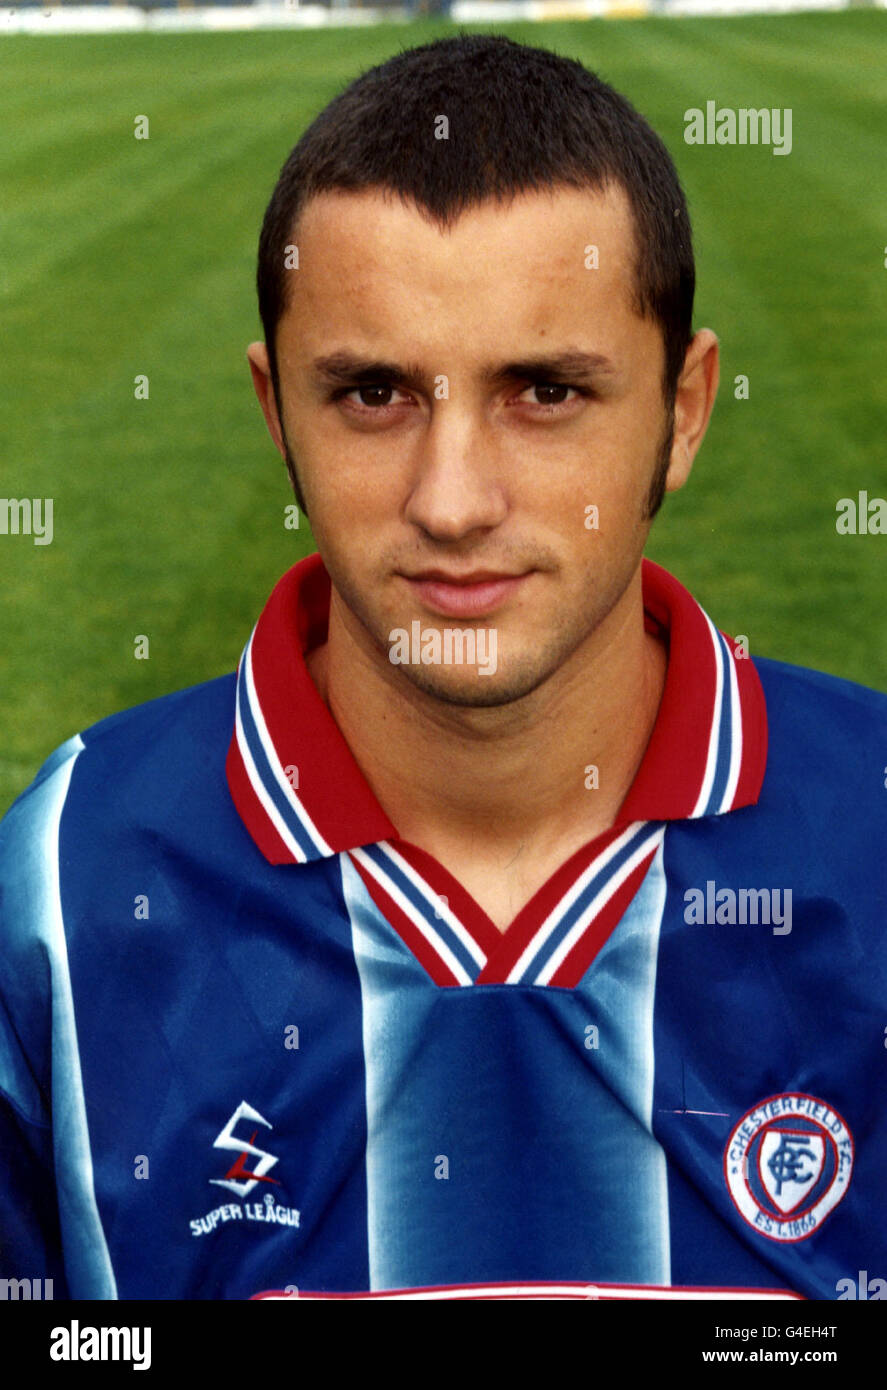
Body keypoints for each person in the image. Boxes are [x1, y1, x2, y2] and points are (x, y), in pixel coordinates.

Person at [1, 34, 883, 1302]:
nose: (453, 500)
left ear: (683, 411)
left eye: (544, 391)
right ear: (274, 416)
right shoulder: (64, 889)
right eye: (370, 393)